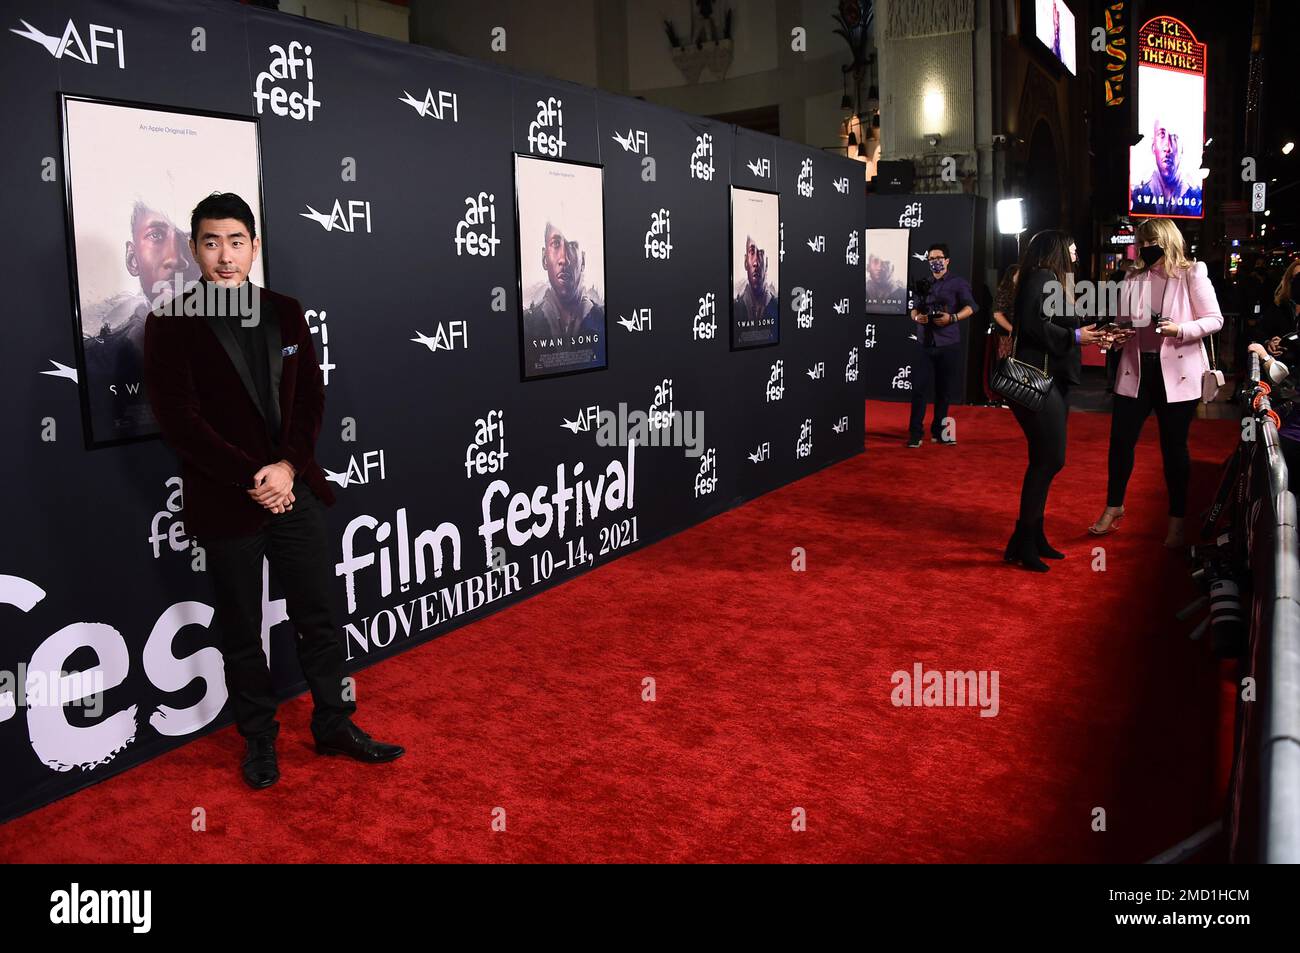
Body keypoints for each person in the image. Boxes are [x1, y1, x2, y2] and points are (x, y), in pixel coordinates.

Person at [143, 191, 404, 790]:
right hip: (226, 498)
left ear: (254, 247)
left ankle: (334, 723)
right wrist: (254, 477)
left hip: (294, 488)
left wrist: (287, 467)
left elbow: (310, 397)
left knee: (320, 616)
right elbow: (181, 422)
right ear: (194, 250)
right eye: (211, 242)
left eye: (236, 242)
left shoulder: (286, 311)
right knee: (242, 630)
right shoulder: (169, 323)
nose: (224, 255)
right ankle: (259, 740)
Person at [1089, 217, 1224, 548]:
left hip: (1177, 374)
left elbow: (1214, 319)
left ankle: (1177, 519)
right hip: (1136, 371)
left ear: (1168, 241)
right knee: (1120, 442)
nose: (1146, 247)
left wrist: (1180, 330)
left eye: (1152, 242)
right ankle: (1114, 506)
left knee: (1173, 448)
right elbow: (1124, 322)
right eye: (1143, 242)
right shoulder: (1133, 277)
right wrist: (1116, 336)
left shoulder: (1192, 272)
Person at [1003, 230, 1103, 571]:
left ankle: (1031, 536)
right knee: (1049, 460)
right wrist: (1076, 335)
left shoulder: (1052, 281)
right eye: (1071, 248)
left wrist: (1091, 335)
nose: (1076, 253)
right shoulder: (1042, 277)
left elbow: (1054, 324)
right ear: (1057, 250)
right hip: (1037, 379)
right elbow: (1034, 326)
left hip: (1052, 381)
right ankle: (1025, 540)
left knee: (1044, 459)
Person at [907, 242, 978, 447]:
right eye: (931, 259)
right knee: (919, 389)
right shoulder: (923, 283)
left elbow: (972, 307)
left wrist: (953, 318)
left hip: (948, 343)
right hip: (925, 343)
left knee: (944, 391)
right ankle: (915, 433)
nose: (935, 262)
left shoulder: (958, 283)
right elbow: (913, 308)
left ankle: (939, 432)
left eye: (938, 258)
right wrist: (916, 317)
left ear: (947, 260)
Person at [522, 220, 606, 370]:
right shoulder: (526, 325)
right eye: (555, 244)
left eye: (572, 246)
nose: (564, 259)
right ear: (544, 258)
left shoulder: (603, 320)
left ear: (583, 261)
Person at [1129, 117, 1203, 216]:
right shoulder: (1137, 194)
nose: (1167, 147)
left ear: (1182, 148)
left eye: (1174, 137)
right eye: (1161, 135)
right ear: (1153, 146)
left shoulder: (1197, 196)